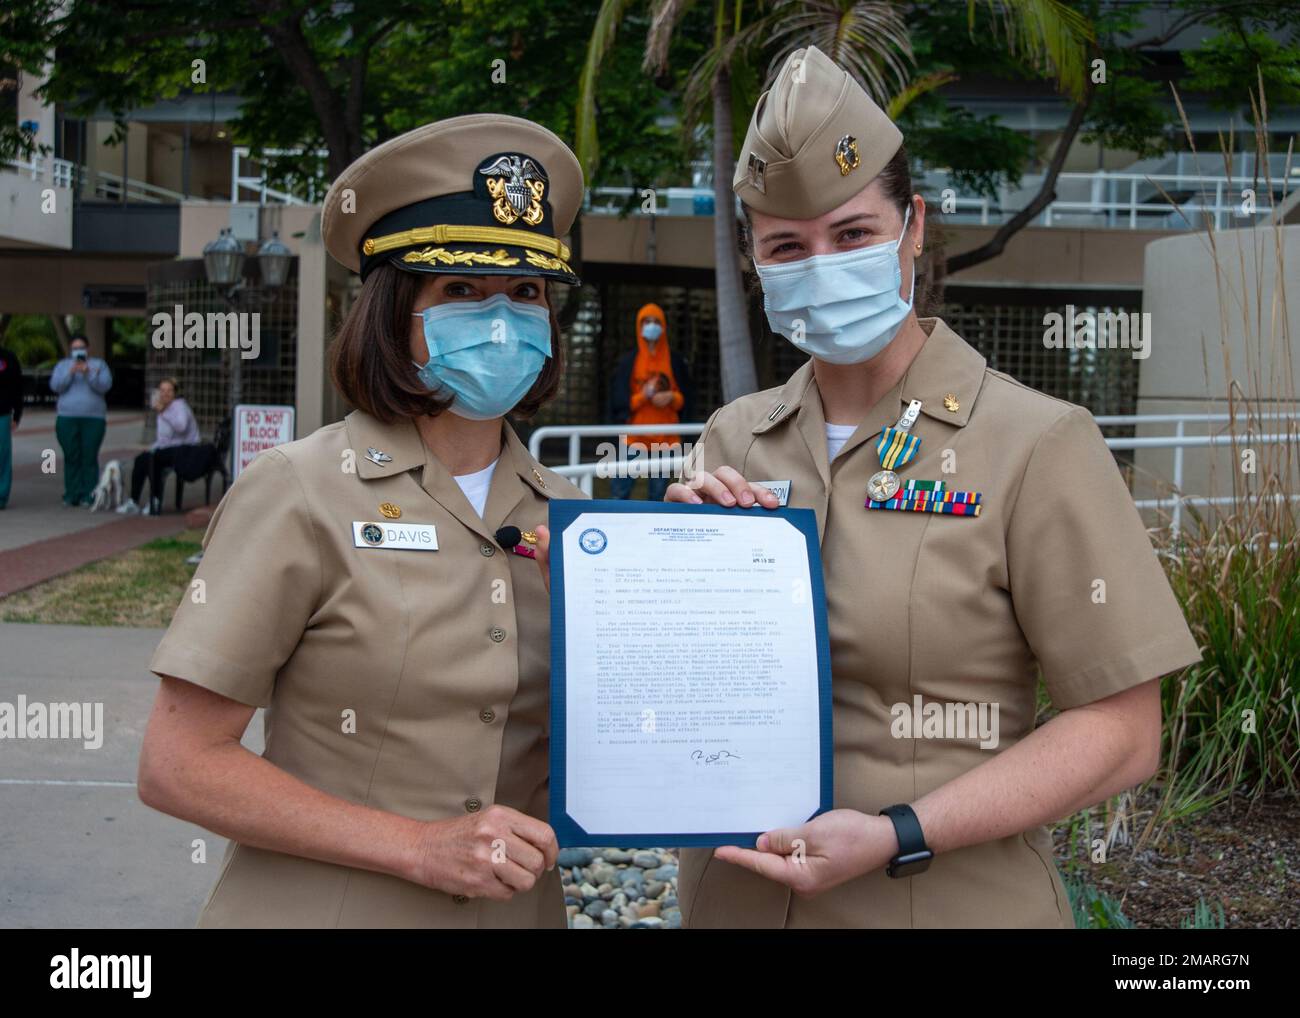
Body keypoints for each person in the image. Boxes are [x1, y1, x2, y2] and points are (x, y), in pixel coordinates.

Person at [665, 46, 1202, 928]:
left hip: (938, 903)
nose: (822, 265)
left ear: (912, 226)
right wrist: (667, 577)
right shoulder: (733, 437)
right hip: (735, 906)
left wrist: (898, 832)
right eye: (787, 247)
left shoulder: (1036, 444)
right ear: (752, 257)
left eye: (853, 235)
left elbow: (1121, 731)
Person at [137, 114, 587, 928]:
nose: (502, 320)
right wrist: (417, 846)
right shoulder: (300, 490)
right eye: (461, 291)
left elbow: (592, 768)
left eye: (526, 293)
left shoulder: (573, 519)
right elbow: (178, 765)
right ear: (393, 311)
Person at [607, 303, 692, 501]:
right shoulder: (629, 362)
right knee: (619, 493)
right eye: (647, 322)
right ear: (639, 325)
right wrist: (643, 396)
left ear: (664, 326)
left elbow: (685, 400)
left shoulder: (675, 361)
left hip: (667, 440)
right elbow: (619, 402)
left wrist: (671, 397)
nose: (651, 326)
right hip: (633, 439)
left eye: (656, 322)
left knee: (658, 496)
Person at [117, 377, 202, 515]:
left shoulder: (179, 406)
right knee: (142, 459)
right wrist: (153, 448)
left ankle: (155, 500)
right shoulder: (164, 408)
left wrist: (163, 413)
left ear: (175, 393)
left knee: (154, 460)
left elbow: (181, 427)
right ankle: (133, 501)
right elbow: (163, 438)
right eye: (162, 390)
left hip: (185, 450)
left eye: (169, 390)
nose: (165, 394)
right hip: (169, 450)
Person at [50, 333, 113, 507]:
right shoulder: (63, 366)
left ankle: (89, 494)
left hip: (93, 419)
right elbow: (56, 386)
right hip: (67, 417)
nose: (78, 351)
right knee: (71, 455)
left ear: (88, 349)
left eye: (81, 348)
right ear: (70, 350)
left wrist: (89, 373)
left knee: (89, 456)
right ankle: (72, 493)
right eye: (75, 348)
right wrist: (70, 373)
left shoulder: (98, 365)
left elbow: (105, 386)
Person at [0, 341, 23, 510]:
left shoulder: (8, 358)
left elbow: (17, 387)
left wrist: (18, 414)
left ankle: (1, 495)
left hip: (3, 414)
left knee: (2, 455)